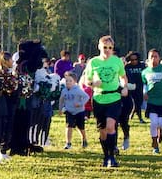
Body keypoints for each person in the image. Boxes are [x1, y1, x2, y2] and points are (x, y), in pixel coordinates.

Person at [81, 36, 127, 168]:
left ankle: (112, 157)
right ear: (99, 47)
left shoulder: (117, 61)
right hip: (99, 99)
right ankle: (106, 156)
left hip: (114, 98)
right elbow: (86, 81)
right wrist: (93, 83)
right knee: (102, 130)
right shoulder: (93, 62)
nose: (107, 50)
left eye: (110, 48)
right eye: (105, 47)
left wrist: (124, 87)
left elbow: (123, 76)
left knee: (111, 126)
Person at [141, 49, 162, 153]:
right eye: (152, 56)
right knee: (154, 123)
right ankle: (155, 143)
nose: (153, 58)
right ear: (148, 58)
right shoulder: (145, 72)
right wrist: (144, 92)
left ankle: (160, 134)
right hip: (151, 101)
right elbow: (144, 84)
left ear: (159, 58)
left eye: (156, 56)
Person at [59, 72, 89, 149]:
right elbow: (61, 100)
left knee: (81, 127)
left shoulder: (78, 90)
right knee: (69, 126)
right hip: (69, 111)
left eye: (70, 81)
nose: (68, 82)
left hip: (79, 111)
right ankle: (68, 143)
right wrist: (60, 109)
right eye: (67, 81)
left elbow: (86, 97)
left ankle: (84, 139)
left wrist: (80, 103)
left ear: (75, 81)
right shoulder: (64, 90)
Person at [124, 52, 145, 123]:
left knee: (139, 102)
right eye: (132, 60)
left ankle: (133, 113)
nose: (134, 61)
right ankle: (140, 118)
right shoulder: (127, 67)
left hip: (140, 86)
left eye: (135, 59)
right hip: (131, 86)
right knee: (133, 103)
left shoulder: (142, 66)